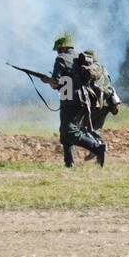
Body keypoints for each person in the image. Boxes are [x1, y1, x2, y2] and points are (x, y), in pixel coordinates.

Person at [48, 35, 105, 168]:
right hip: (84, 99)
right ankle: (69, 163)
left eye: (58, 49)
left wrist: (47, 80)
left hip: (70, 99)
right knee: (65, 131)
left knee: (69, 131)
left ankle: (97, 147)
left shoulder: (61, 58)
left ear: (62, 48)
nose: (57, 52)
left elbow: (56, 82)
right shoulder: (80, 57)